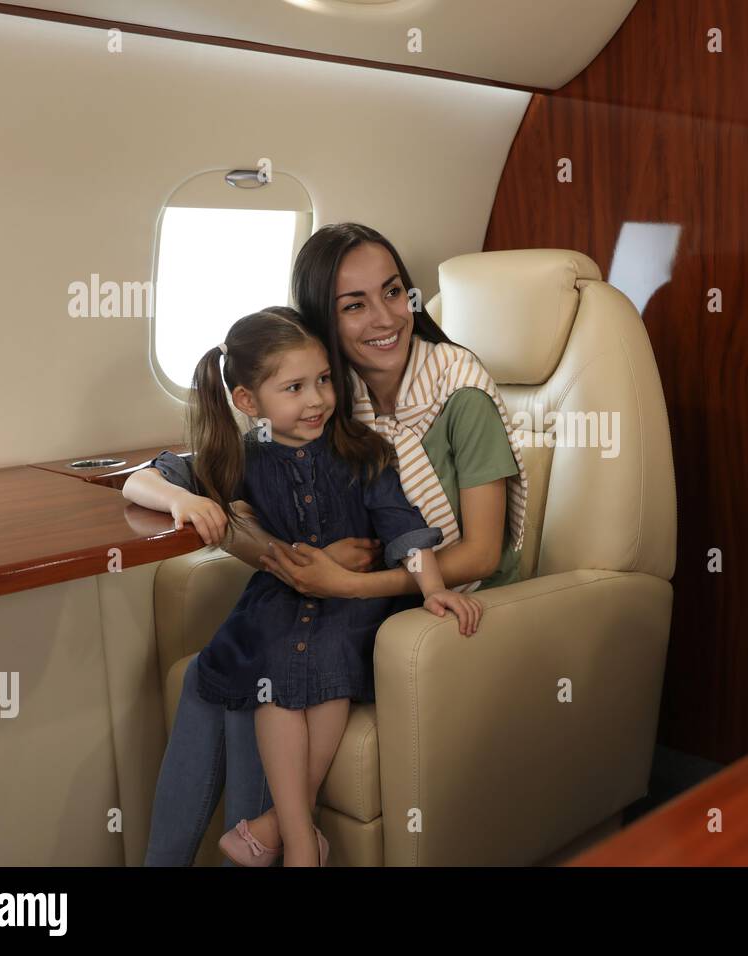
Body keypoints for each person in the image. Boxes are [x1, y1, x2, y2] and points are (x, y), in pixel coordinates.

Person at [143, 223, 529, 865]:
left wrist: (342, 581)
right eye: (354, 305)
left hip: (436, 608)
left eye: (395, 292)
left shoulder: (458, 395)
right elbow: (226, 483)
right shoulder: (333, 399)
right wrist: (285, 560)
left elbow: (480, 555)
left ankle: (284, 839)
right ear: (324, 322)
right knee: (214, 682)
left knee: (260, 687)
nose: (385, 317)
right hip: (347, 598)